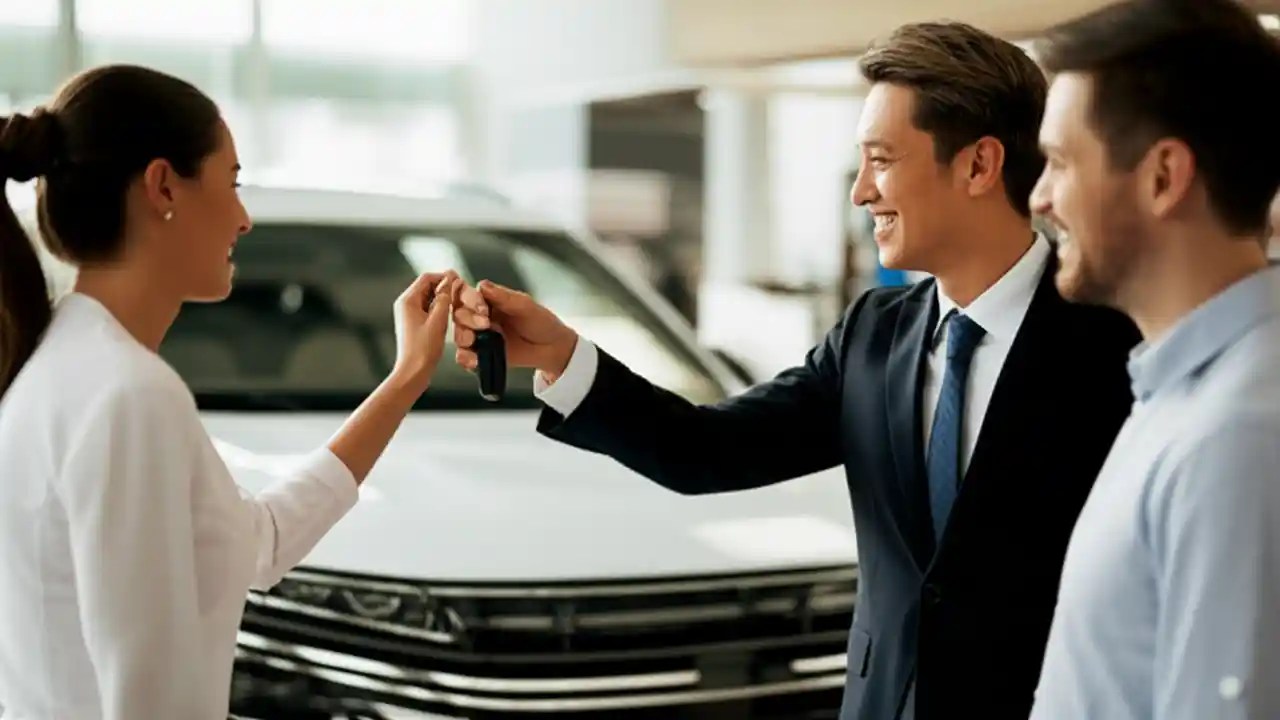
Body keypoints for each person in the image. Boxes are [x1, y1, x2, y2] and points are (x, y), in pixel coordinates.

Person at [452, 22, 1140, 720]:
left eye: (881, 159)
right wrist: (562, 356)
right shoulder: (873, 335)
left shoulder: (1119, 341)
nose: (861, 192)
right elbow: (703, 451)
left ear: (978, 165)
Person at [0, 65, 459, 719]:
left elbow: (259, 543)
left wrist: (408, 375)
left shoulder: (60, 368)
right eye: (232, 182)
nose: (243, 219)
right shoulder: (128, 395)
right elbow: (151, 705)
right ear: (164, 186)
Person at [1027, 1, 1280, 718]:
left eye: (1059, 162)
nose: (1040, 196)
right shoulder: (1182, 397)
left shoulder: (1237, 435)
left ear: (1163, 175)